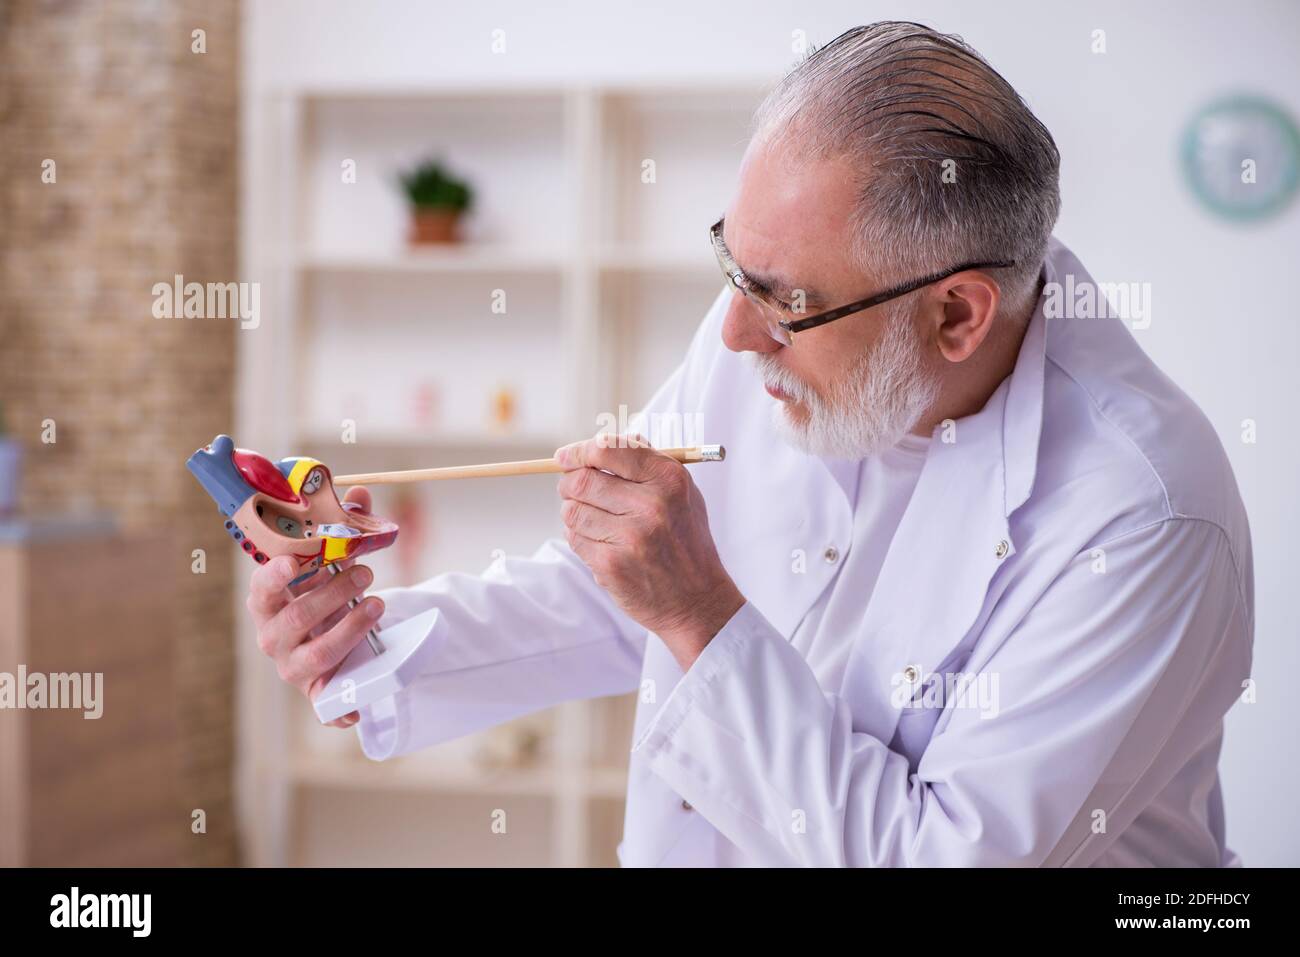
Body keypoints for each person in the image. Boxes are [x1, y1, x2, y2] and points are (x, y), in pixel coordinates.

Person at [245, 22, 1253, 866]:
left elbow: (938, 857)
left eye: (781, 299)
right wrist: (368, 644)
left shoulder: (1143, 514)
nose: (731, 333)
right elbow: (612, 604)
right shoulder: (771, 337)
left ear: (955, 316)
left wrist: (698, 609)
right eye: (733, 262)